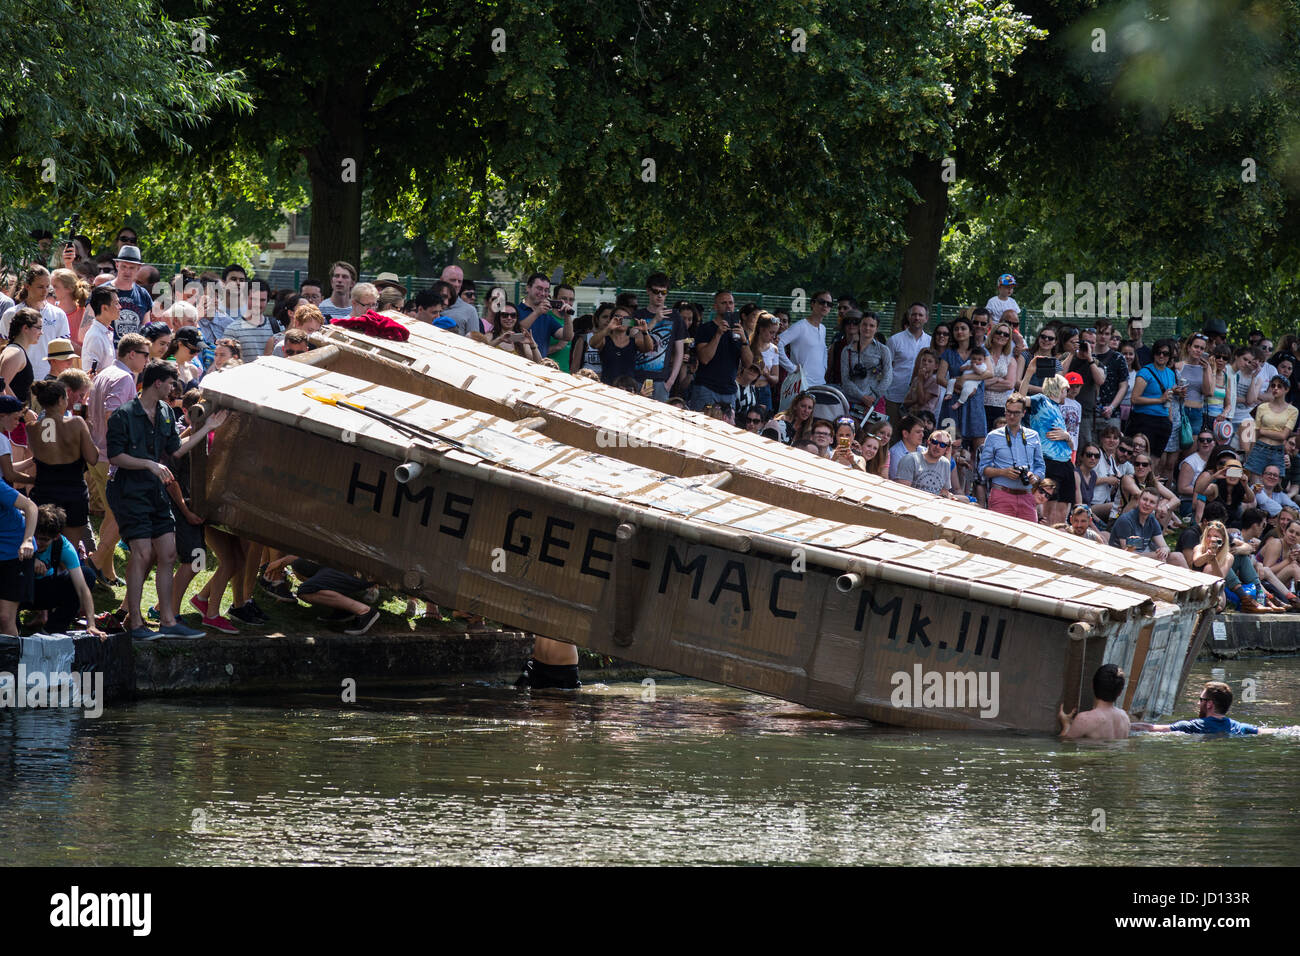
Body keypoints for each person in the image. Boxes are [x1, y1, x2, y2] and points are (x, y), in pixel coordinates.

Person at [106, 360, 227, 639]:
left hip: (156, 491)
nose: (175, 389)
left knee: (169, 553)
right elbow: (115, 456)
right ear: (157, 383)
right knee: (142, 553)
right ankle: (134, 624)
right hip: (129, 491)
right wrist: (149, 464)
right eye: (172, 383)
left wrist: (207, 426)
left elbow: (176, 451)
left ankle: (168, 621)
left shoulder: (166, 412)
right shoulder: (124, 415)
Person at [28, 379, 98, 554]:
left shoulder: (32, 428)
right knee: (69, 551)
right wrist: (88, 431)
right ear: (61, 400)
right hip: (73, 493)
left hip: (44, 492)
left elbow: (47, 439)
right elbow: (93, 458)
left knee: (42, 551)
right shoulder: (76, 424)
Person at [26, 504, 103, 637]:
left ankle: (53, 629)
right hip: (17, 589)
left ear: (55, 537)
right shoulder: (20, 534)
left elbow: (82, 589)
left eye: (44, 540)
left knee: (87, 574)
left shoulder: (63, 546)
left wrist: (91, 624)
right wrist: (30, 562)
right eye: (36, 537)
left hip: (43, 591)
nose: (38, 543)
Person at [978, 393, 1045, 522]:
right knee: (999, 537)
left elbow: (1040, 467)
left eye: (1016, 413)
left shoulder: (1033, 436)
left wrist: (1034, 477)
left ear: (1023, 413)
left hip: (1027, 495)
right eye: (1008, 412)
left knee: (1028, 538)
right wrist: (1003, 472)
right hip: (1002, 494)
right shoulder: (993, 436)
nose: (1012, 416)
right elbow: (982, 469)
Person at [0, 265, 72, 380]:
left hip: (48, 380)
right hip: (18, 379)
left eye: (48, 287)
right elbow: (2, 346)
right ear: (27, 286)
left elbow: (64, 353)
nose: (45, 291)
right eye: (40, 287)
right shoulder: (11, 314)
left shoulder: (58, 314)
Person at [1132, 681, 1261, 735]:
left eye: (1201, 700)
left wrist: (1123, 723)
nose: (1198, 704)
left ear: (1209, 704)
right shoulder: (1239, 728)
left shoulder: (1192, 726)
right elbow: (1274, 731)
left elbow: (1151, 728)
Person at [690, 307, 753, 411]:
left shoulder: (740, 331)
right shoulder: (706, 328)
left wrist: (744, 340)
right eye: (723, 303)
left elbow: (748, 364)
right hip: (706, 388)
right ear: (716, 306)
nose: (728, 306)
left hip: (729, 391)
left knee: (726, 426)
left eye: (731, 303)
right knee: (702, 424)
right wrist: (718, 334)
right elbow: (704, 358)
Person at [0, 475, 38, 636]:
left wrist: (27, 540)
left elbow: (30, 507)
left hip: (16, 554)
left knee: (5, 618)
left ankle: (15, 662)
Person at [1110, 488, 1187, 566]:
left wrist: (1164, 549)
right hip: (1120, 560)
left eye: (1152, 502)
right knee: (1160, 558)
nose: (1147, 504)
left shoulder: (1151, 520)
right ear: (1139, 500)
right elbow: (1128, 553)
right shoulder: (1126, 520)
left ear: (1156, 506)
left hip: (1141, 557)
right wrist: (1156, 555)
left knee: (1178, 556)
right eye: (1145, 499)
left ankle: (1191, 578)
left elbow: (1165, 546)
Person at [884, 303, 932, 427]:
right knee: (892, 432)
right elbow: (887, 368)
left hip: (919, 398)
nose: (917, 318)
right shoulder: (895, 340)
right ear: (908, 317)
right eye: (914, 314)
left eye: (920, 315)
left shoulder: (930, 342)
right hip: (895, 394)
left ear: (926, 318)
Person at [838, 310, 892, 413]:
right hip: (852, 400)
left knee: (874, 429)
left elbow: (888, 377)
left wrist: (873, 397)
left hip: (874, 402)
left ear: (876, 329)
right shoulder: (847, 350)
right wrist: (862, 397)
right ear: (859, 326)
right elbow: (845, 379)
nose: (867, 328)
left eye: (872, 326)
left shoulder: (883, 350)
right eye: (864, 324)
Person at [1058, 664, 1131, 739]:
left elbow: (1065, 744)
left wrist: (1066, 725)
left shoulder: (1084, 719)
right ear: (1120, 693)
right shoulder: (1125, 718)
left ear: (1093, 685)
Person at [588, 306, 653, 385]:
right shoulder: (605, 340)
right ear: (611, 320)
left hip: (629, 388)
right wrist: (608, 328)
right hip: (607, 386)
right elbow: (592, 343)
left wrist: (645, 331)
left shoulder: (634, 341)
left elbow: (649, 348)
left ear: (630, 322)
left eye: (626, 319)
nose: (622, 321)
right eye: (618, 317)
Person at [780, 290, 831, 386]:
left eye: (829, 304)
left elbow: (824, 350)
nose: (825, 305)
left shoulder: (823, 328)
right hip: (801, 385)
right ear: (812, 304)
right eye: (821, 302)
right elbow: (777, 343)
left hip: (820, 383)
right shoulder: (800, 326)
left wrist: (824, 368)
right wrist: (792, 368)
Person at [897, 428, 956, 497]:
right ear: (928, 442)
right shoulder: (910, 459)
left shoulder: (945, 463)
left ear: (947, 449)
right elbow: (902, 491)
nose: (937, 447)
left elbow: (944, 491)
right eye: (935, 442)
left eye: (942, 445)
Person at [888, 415, 928, 481]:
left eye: (922, 431)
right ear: (905, 434)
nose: (922, 435)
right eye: (918, 432)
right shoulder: (895, 453)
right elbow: (898, 481)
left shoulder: (924, 450)